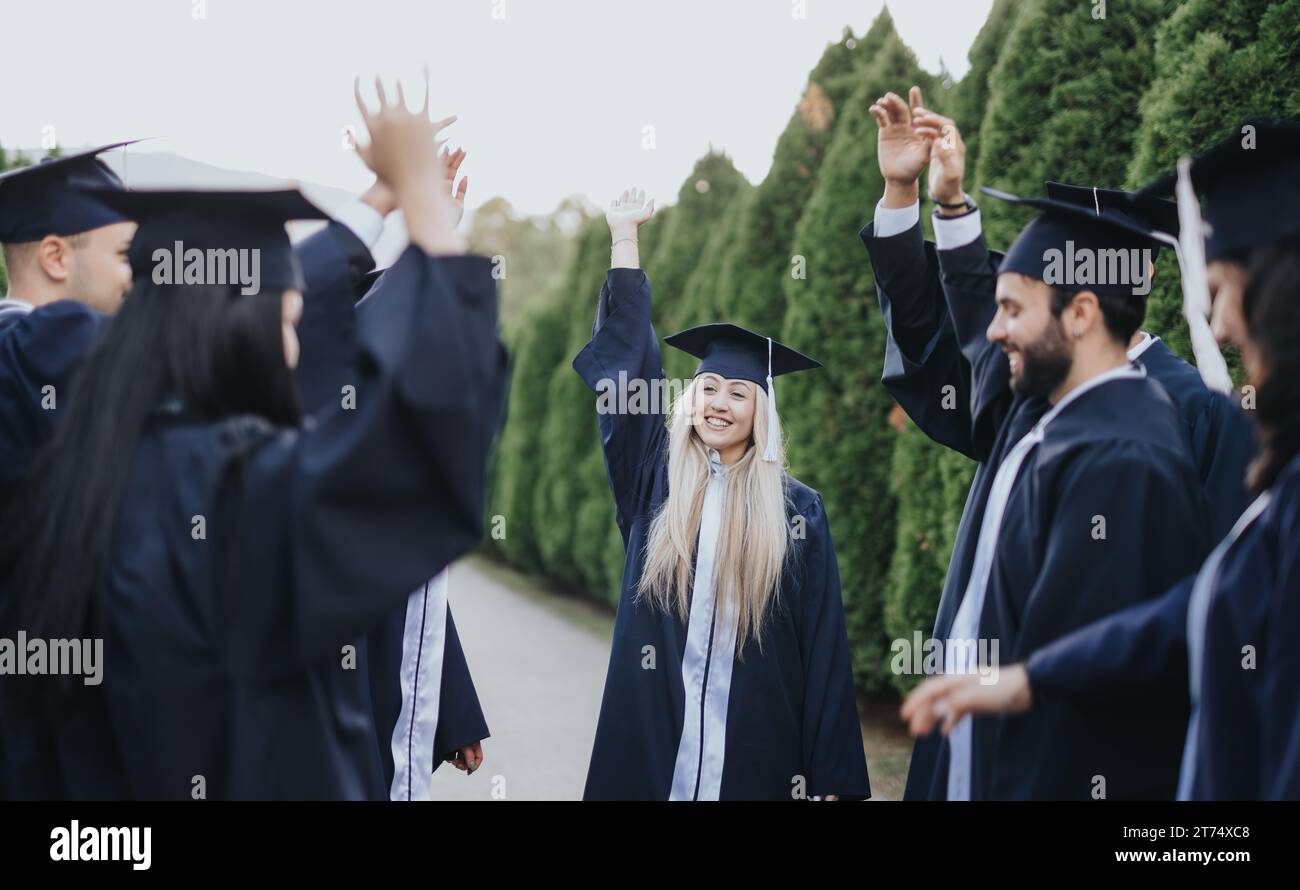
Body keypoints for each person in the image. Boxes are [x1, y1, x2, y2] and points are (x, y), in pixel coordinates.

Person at [0, 81, 508, 799]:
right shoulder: (235, 497)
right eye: (290, 321)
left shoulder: (82, 482)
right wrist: (423, 202)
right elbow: (427, 447)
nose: (299, 348)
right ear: (236, 333)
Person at [901, 119, 1300, 801]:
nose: (1221, 326)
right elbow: (1199, 610)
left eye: (1225, 291)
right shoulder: (1042, 412)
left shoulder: (1141, 437)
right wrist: (1031, 678)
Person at [861, 89, 1216, 799]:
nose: (996, 331)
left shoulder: (1179, 414)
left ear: (1086, 310)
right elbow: (952, 324)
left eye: (1014, 308)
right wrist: (926, 197)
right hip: (968, 730)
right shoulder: (1041, 395)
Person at [575, 189, 870, 800]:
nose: (719, 403)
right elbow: (629, 374)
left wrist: (832, 776)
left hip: (755, 751)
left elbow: (823, 645)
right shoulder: (653, 480)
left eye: (739, 393)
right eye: (709, 387)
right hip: (656, 744)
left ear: (761, 412)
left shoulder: (797, 510)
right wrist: (623, 239)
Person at [865, 88, 1254, 541]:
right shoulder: (1027, 385)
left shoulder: (1198, 408)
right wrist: (906, 191)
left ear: (1141, 274)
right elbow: (931, 319)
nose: (1001, 329)